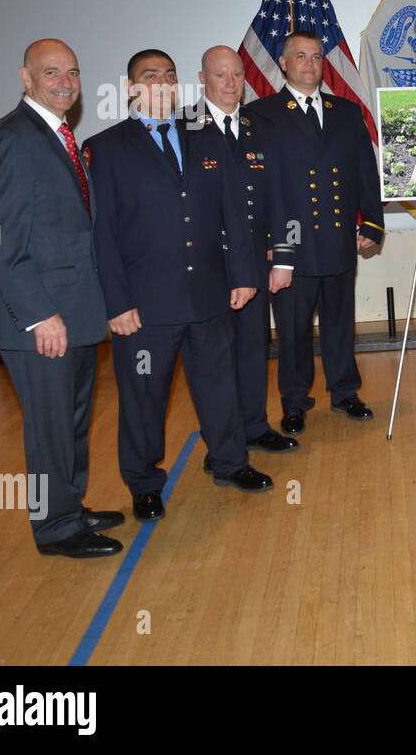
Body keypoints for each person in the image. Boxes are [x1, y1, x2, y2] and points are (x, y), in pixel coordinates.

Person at [86, 49, 270, 523]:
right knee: (145, 398)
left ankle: (231, 461)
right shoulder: (106, 148)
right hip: (145, 307)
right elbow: (101, 234)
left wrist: (244, 275)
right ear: (130, 88)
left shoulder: (206, 138)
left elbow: (234, 211)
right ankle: (145, 484)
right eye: (150, 77)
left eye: (169, 75)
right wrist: (117, 302)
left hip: (210, 294)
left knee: (220, 388)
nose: (162, 84)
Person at [0, 39, 121, 558]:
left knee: (73, 423)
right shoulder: (11, 139)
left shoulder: (59, 137)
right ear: (25, 77)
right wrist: (40, 316)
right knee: (49, 429)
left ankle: (69, 508)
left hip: (74, 314)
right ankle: (55, 529)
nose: (66, 82)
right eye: (52, 72)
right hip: (40, 322)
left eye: (73, 73)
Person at [243, 30, 385, 436]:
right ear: (283, 63)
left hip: (338, 238)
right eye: (300, 57)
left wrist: (372, 221)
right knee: (293, 329)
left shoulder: (345, 112)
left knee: (341, 322)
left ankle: (345, 392)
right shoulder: (262, 115)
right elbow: (259, 187)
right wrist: (271, 244)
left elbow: (364, 172)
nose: (310, 64)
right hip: (291, 244)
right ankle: (294, 400)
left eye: (317, 57)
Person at [187, 45, 297, 456]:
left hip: (253, 263)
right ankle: (224, 441)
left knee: (254, 348)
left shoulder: (260, 128)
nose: (231, 84)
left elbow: (282, 198)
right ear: (202, 80)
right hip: (205, 267)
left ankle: (254, 425)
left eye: (236, 75)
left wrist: (283, 257)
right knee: (213, 361)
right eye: (220, 76)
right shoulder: (184, 130)